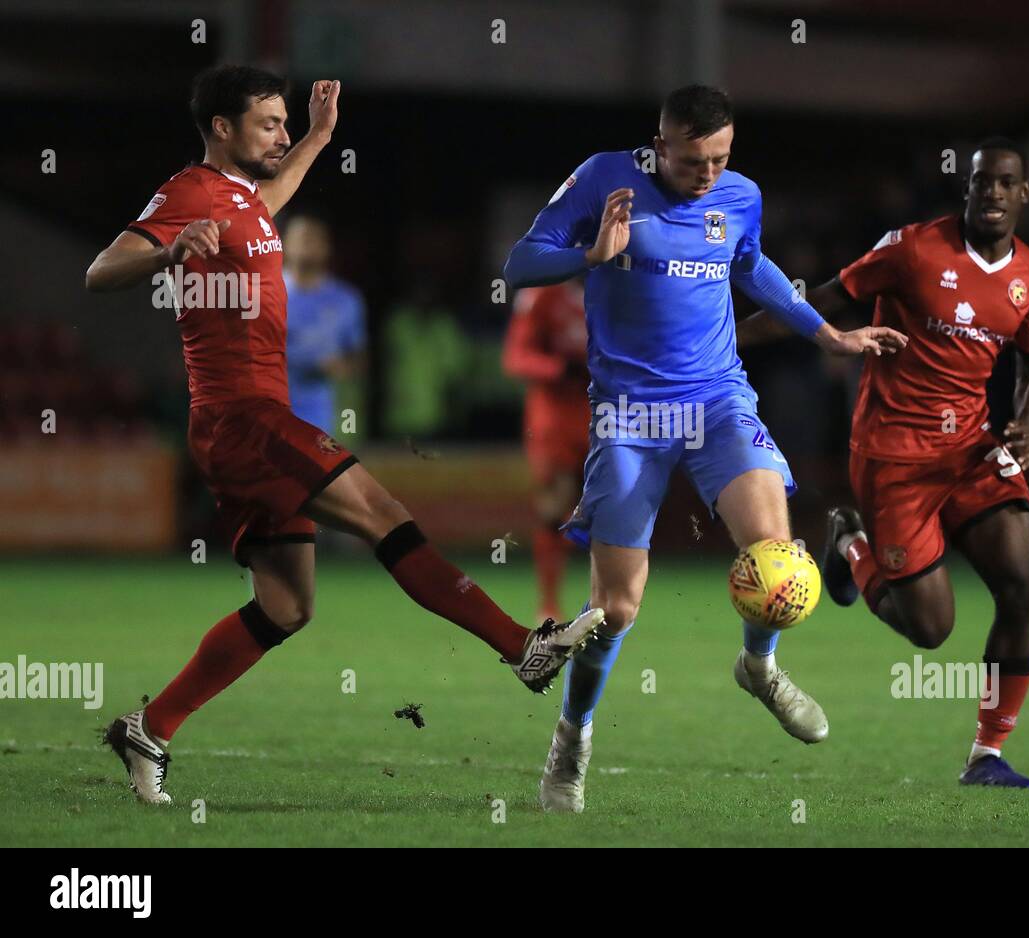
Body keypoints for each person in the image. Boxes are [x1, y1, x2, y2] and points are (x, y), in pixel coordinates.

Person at [84, 65, 602, 805]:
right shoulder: (191, 192)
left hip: (251, 422)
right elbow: (101, 271)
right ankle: (521, 647)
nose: (281, 135)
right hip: (244, 420)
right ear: (222, 129)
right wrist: (166, 253)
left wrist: (320, 137)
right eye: (269, 124)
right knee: (383, 515)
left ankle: (150, 728)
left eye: (284, 123)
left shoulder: (244, 199)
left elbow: (271, 195)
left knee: (286, 607)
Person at [504, 84, 905, 812]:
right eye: (694, 161)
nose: (709, 174)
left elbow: (752, 266)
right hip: (629, 415)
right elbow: (520, 264)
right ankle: (572, 739)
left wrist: (828, 335)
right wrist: (590, 253)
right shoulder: (603, 178)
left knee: (776, 558)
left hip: (718, 399)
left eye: (721, 158)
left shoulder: (740, 196)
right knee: (615, 610)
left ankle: (759, 666)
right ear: (660, 145)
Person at [740, 138, 1029, 788]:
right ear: (967, 189)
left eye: (1005, 183)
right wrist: (726, 339)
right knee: (932, 631)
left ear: (1024, 193)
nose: (993, 193)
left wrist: (1026, 427)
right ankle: (850, 543)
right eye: (982, 182)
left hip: (971, 449)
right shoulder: (912, 249)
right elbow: (822, 300)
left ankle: (987, 755)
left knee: (1023, 588)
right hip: (894, 456)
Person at [501, 278, 590, 623]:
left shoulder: (623, 285)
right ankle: (549, 605)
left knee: (611, 508)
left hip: (609, 412)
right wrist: (559, 367)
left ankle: (613, 602)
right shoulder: (541, 294)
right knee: (555, 506)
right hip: (555, 417)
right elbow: (516, 357)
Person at [282, 213, 367, 437]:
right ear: (284, 243)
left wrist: (341, 367)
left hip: (324, 417)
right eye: (301, 238)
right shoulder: (263, 294)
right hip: (272, 412)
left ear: (326, 247)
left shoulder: (346, 300)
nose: (306, 245)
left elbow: (359, 359)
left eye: (313, 239)